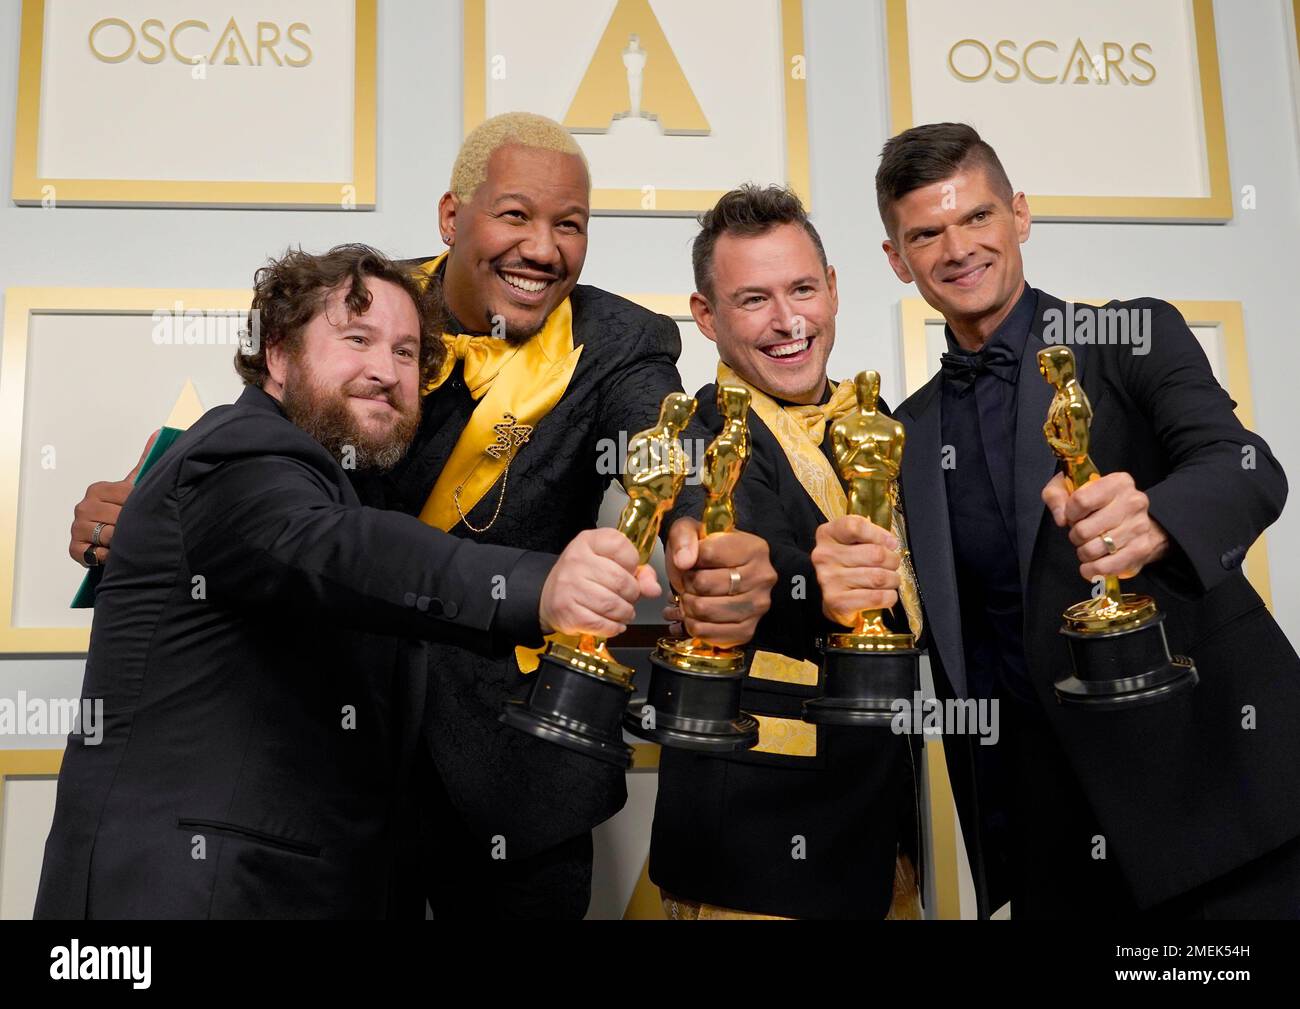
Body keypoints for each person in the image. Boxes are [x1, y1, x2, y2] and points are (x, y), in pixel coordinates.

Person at [69, 112, 776, 919]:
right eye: (514, 214)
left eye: (569, 225)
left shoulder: (618, 339)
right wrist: (155, 503)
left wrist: (698, 531)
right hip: (334, 749)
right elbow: (271, 464)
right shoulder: (376, 308)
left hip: (518, 765)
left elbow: (660, 442)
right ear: (452, 217)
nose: (542, 248)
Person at [38, 244, 659, 919]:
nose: (386, 370)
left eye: (405, 353)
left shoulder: (335, 482)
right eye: (357, 338)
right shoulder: (239, 449)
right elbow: (341, 551)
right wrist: (538, 586)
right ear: (277, 353)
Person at [817, 121, 1300, 918]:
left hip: (1216, 806)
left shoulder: (1128, 340)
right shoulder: (901, 435)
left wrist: (1159, 520)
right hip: (1045, 844)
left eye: (977, 217)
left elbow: (1244, 468)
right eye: (927, 234)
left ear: (1021, 216)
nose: (958, 248)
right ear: (897, 261)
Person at [651, 185, 922, 919]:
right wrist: (800, 581)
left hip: (888, 841)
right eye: (753, 299)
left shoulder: (881, 422)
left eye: (802, 287)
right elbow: (723, 545)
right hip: (755, 859)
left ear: (833, 290)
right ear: (706, 315)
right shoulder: (699, 435)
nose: (788, 320)